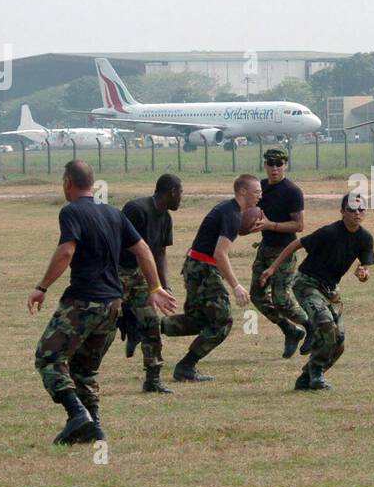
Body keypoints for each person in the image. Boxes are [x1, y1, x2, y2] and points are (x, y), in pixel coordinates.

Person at [30, 161, 176, 445]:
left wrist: (41, 287)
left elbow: (65, 252)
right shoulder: (111, 212)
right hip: (113, 305)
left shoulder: (71, 211)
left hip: (84, 301)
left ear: (67, 182)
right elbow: (144, 250)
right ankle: (93, 426)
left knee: (48, 357)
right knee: (85, 368)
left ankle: (77, 415)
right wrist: (155, 287)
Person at [258, 191, 374, 390]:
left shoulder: (365, 238)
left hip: (330, 290)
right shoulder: (329, 232)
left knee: (339, 342)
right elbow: (295, 244)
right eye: (352, 209)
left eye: (361, 209)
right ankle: (317, 373)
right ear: (342, 211)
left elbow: (365, 269)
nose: (357, 213)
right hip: (307, 283)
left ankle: (307, 377)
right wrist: (271, 269)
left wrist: (363, 274)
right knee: (325, 324)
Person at [161, 174, 259, 382]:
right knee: (223, 321)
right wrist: (236, 286)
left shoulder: (228, 209)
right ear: (243, 191)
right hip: (204, 269)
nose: (259, 196)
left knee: (198, 320)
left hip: (195, 266)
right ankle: (186, 366)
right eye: (256, 191)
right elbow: (220, 254)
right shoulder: (232, 214)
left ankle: (146, 327)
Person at [119, 173, 182, 393]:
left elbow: (161, 253)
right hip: (117, 272)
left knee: (151, 323)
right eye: (180, 193)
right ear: (172, 192)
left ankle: (153, 380)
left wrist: (164, 286)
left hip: (143, 275)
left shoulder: (165, 217)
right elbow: (132, 248)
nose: (181, 198)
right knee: (102, 323)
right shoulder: (136, 209)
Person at [250, 146, 310, 359]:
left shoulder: (292, 191)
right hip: (265, 248)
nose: (274, 168)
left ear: (285, 165)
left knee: (281, 299)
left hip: (286, 249)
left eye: (279, 164)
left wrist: (270, 225)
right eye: (270, 164)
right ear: (264, 165)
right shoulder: (261, 187)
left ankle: (309, 325)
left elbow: (299, 225)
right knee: (256, 296)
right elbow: (250, 212)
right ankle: (290, 330)